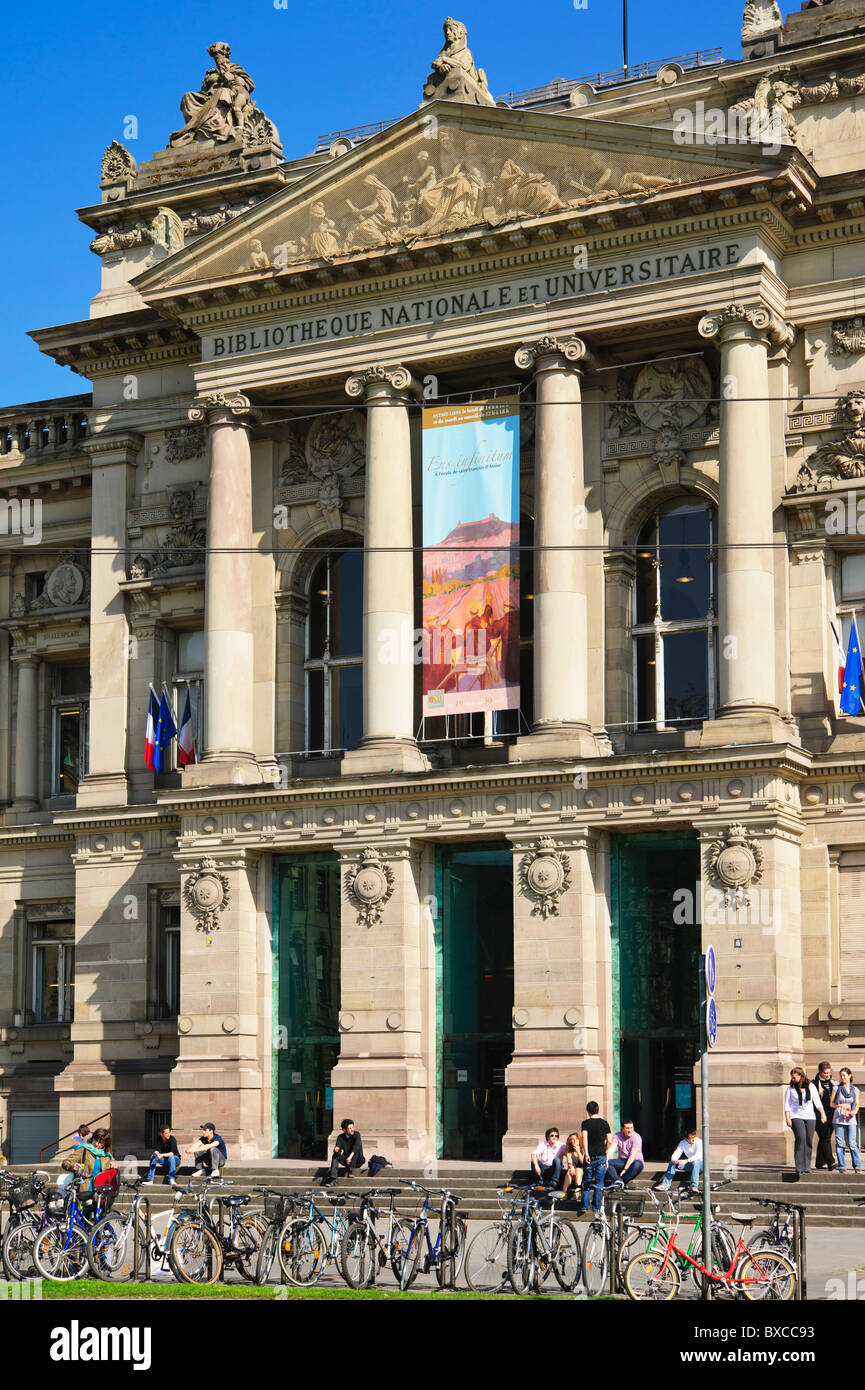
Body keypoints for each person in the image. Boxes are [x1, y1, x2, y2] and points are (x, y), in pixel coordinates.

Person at [784, 1065, 827, 1176]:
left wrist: (822, 1114)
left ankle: (807, 1165)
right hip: (796, 1115)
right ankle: (799, 1166)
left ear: (800, 1076)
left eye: (794, 1077)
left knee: (808, 1140)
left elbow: (817, 1101)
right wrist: (787, 1118)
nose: (792, 1079)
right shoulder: (790, 1088)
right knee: (801, 1138)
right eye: (792, 1077)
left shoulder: (811, 1086)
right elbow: (787, 1104)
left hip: (810, 1116)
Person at [581, 1102, 612, 1213]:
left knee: (586, 1181)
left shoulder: (585, 1123)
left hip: (590, 1156)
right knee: (599, 1182)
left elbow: (584, 1138)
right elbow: (609, 1141)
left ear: (588, 1111)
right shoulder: (604, 1123)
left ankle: (584, 1206)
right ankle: (596, 1206)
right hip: (601, 1156)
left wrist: (587, 1153)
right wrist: (606, 1152)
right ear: (598, 1110)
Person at [831, 1067, 862, 1173]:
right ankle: (842, 1166)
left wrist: (854, 1111)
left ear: (849, 1075)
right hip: (838, 1118)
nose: (842, 1077)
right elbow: (831, 1104)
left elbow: (857, 1105)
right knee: (840, 1143)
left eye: (844, 1075)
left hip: (850, 1119)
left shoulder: (855, 1090)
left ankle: (857, 1166)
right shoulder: (836, 1088)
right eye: (841, 1075)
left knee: (852, 1143)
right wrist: (839, 1105)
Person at [813, 1061, 837, 1171]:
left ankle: (819, 1162)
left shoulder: (833, 1083)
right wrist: (821, 1114)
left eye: (829, 1072)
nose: (827, 1075)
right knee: (825, 1138)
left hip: (831, 1114)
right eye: (825, 1073)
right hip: (819, 1114)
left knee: (825, 1138)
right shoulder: (814, 1084)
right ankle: (830, 1162)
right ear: (820, 1072)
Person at [606, 1121, 645, 1188]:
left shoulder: (636, 1137)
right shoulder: (617, 1136)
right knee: (608, 1162)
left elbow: (632, 1155)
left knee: (637, 1165)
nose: (630, 1130)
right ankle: (618, 1181)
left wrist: (625, 1169)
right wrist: (606, 1159)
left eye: (631, 1128)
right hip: (622, 1161)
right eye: (627, 1128)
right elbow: (612, 1149)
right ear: (622, 1128)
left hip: (635, 1161)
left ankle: (621, 1182)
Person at [327, 1118, 365, 1183]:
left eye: (352, 1127)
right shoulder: (340, 1137)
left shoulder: (357, 1134)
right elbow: (338, 1148)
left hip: (358, 1160)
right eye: (350, 1128)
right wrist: (336, 1150)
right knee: (335, 1155)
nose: (352, 1129)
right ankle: (333, 1177)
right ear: (344, 1130)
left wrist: (350, 1157)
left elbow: (357, 1146)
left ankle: (350, 1171)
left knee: (356, 1150)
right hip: (347, 1160)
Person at [561, 1132, 585, 1200]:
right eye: (572, 1139)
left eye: (575, 1139)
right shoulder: (569, 1151)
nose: (574, 1141)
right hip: (573, 1173)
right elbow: (569, 1162)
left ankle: (577, 1191)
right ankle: (564, 1193)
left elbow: (583, 1162)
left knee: (578, 1169)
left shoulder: (583, 1150)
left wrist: (577, 1150)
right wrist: (571, 1167)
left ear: (579, 1140)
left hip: (583, 1172)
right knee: (569, 1170)